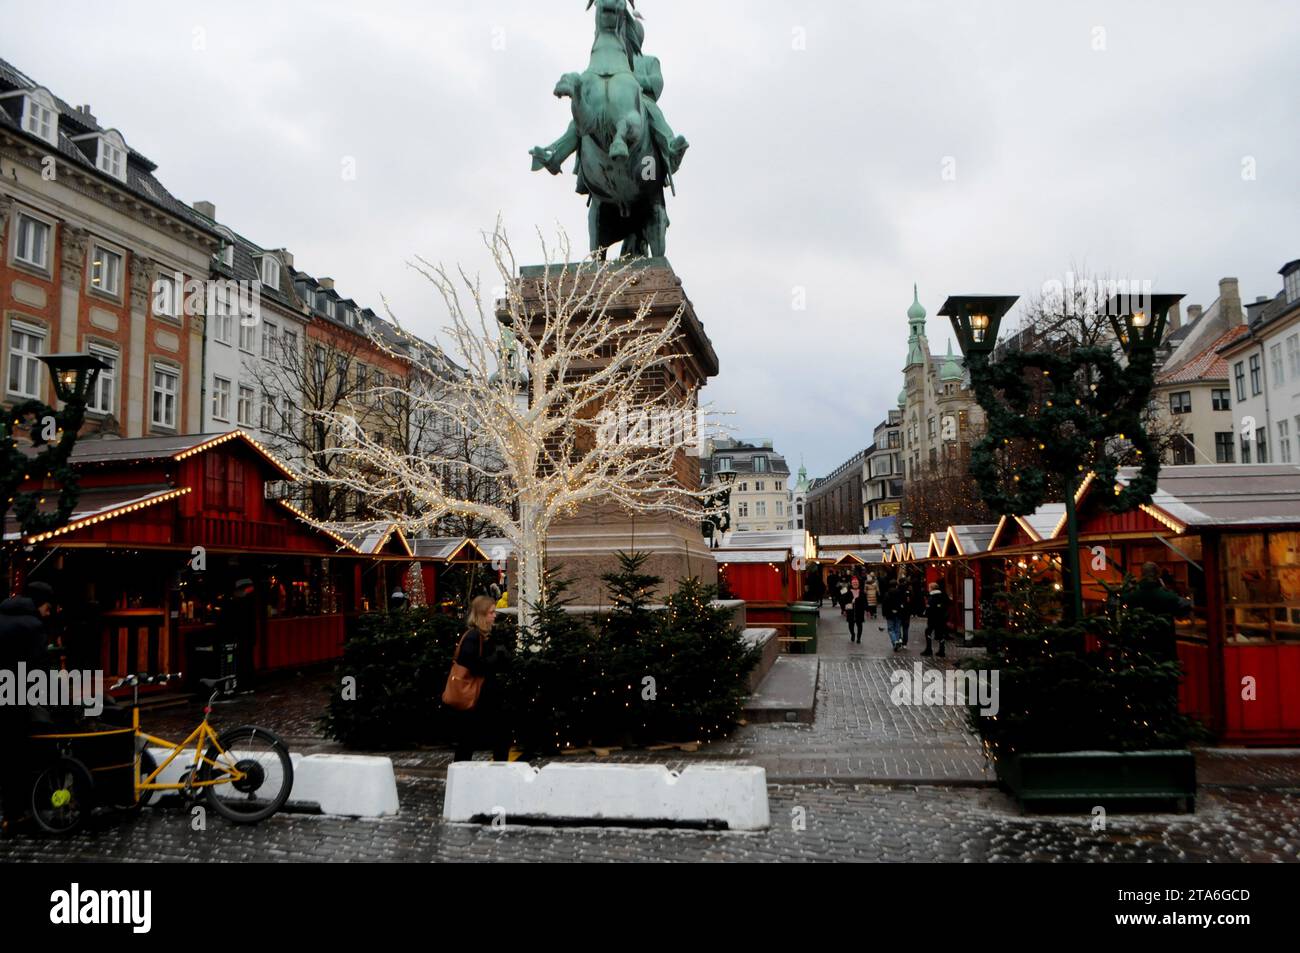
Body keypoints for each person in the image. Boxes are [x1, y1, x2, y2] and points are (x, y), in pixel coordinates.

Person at [0, 581, 56, 837]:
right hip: (13, 698)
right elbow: (39, 671)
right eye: (48, 607)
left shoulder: (2, 617)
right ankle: (17, 814)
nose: (49, 612)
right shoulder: (33, 627)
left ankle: (9, 813)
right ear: (39, 603)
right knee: (18, 756)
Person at [451, 596, 513, 762]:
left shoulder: (484, 635)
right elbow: (471, 663)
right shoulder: (473, 636)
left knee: (473, 740)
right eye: (491, 612)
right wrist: (494, 658)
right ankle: (495, 771)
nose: (494, 616)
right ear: (481, 614)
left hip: (483, 697)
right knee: (490, 737)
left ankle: (464, 774)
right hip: (477, 696)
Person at [1126, 562, 1192, 660]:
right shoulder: (1167, 596)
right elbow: (1184, 608)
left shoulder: (1131, 596)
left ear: (1142, 574)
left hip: (1140, 648)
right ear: (1158, 575)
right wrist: (1164, 588)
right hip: (1164, 647)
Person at [225, 578, 258, 694]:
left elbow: (237, 621)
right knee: (248, 661)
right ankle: (249, 685)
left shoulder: (242, 603)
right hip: (248, 636)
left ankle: (245, 685)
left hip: (242, 636)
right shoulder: (250, 601)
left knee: (243, 662)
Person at [922, 579, 952, 658]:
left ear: (931, 588)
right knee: (940, 634)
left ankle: (929, 649)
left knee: (928, 632)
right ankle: (942, 650)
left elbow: (929, 608)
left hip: (932, 618)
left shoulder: (932, 597)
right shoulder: (942, 595)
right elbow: (947, 603)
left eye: (929, 587)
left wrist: (926, 612)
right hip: (941, 617)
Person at [880, 578, 906, 651]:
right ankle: (897, 641)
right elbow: (902, 603)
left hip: (889, 613)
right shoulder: (900, 593)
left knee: (891, 629)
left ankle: (895, 642)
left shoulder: (887, 593)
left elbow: (884, 604)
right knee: (897, 629)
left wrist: (884, 613)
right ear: (896, 585)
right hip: (899, 613)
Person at [846, 576, 867, 644]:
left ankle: (858, 638)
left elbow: (865, 601)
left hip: (859, 611)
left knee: (859, 625)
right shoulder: (848, 592)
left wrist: (867, 610)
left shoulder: (862, 592)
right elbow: (843, 600)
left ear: (858, 584)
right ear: (851, 584)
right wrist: (844, 609)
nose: (855, 584)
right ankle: (852, 634)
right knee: (850, 625)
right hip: (850, 611)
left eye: (856, 583)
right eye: (854, 583)